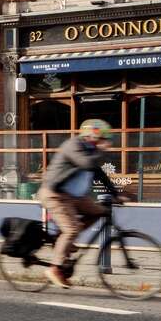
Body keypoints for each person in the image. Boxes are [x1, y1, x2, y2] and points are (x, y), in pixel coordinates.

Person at [37, 118, 119, 288]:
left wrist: (117, 194)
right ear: (92, 136)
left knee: (100, 211)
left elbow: (99, 174)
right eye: (102, 139)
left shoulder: (91, 150)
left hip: (75, 197)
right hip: (55, 194)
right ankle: (55, 268)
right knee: (71, 229)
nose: (105, 143)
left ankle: (63, 240)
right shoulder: (73, 145)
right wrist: (101, 151)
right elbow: (87, 163)